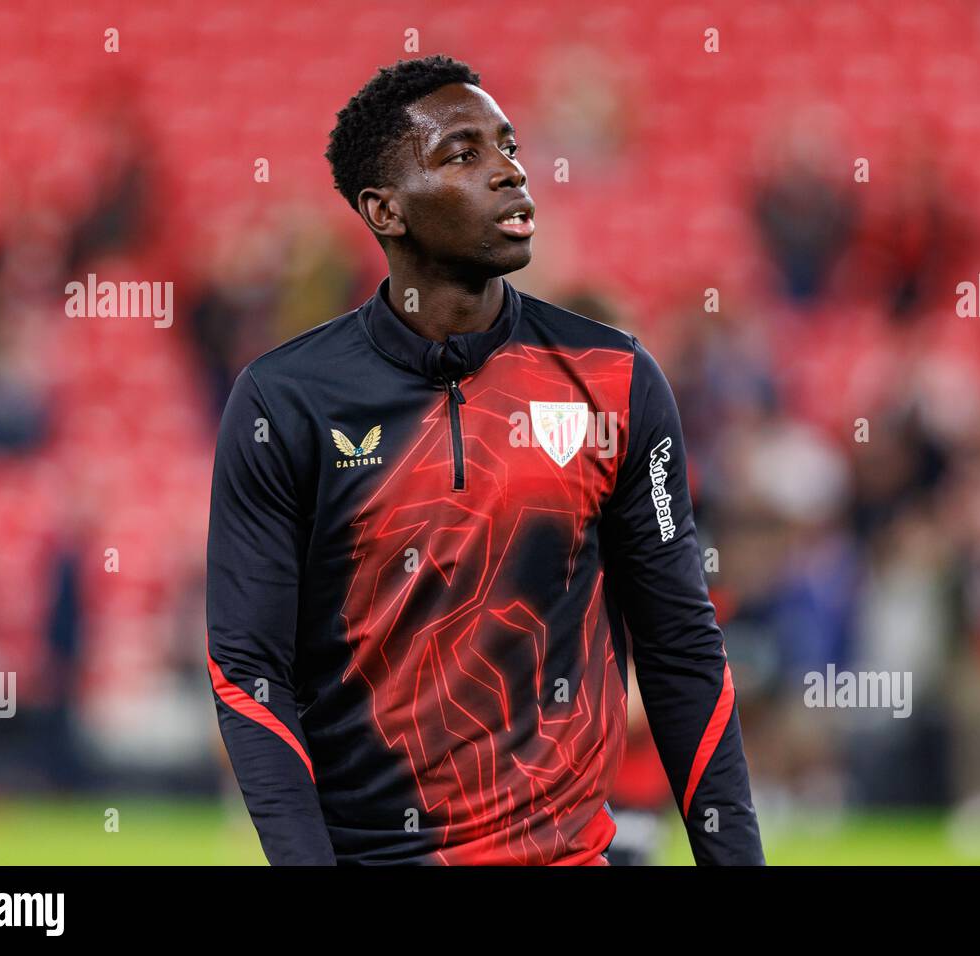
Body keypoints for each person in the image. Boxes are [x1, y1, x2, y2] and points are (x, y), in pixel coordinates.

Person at [205, 54, 764, 865]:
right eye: (462, 154)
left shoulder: (616, 380)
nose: (508, 171)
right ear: (385, 209)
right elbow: (250, 671)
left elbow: (680, 643)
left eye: (508, 146)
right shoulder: (283, 402)